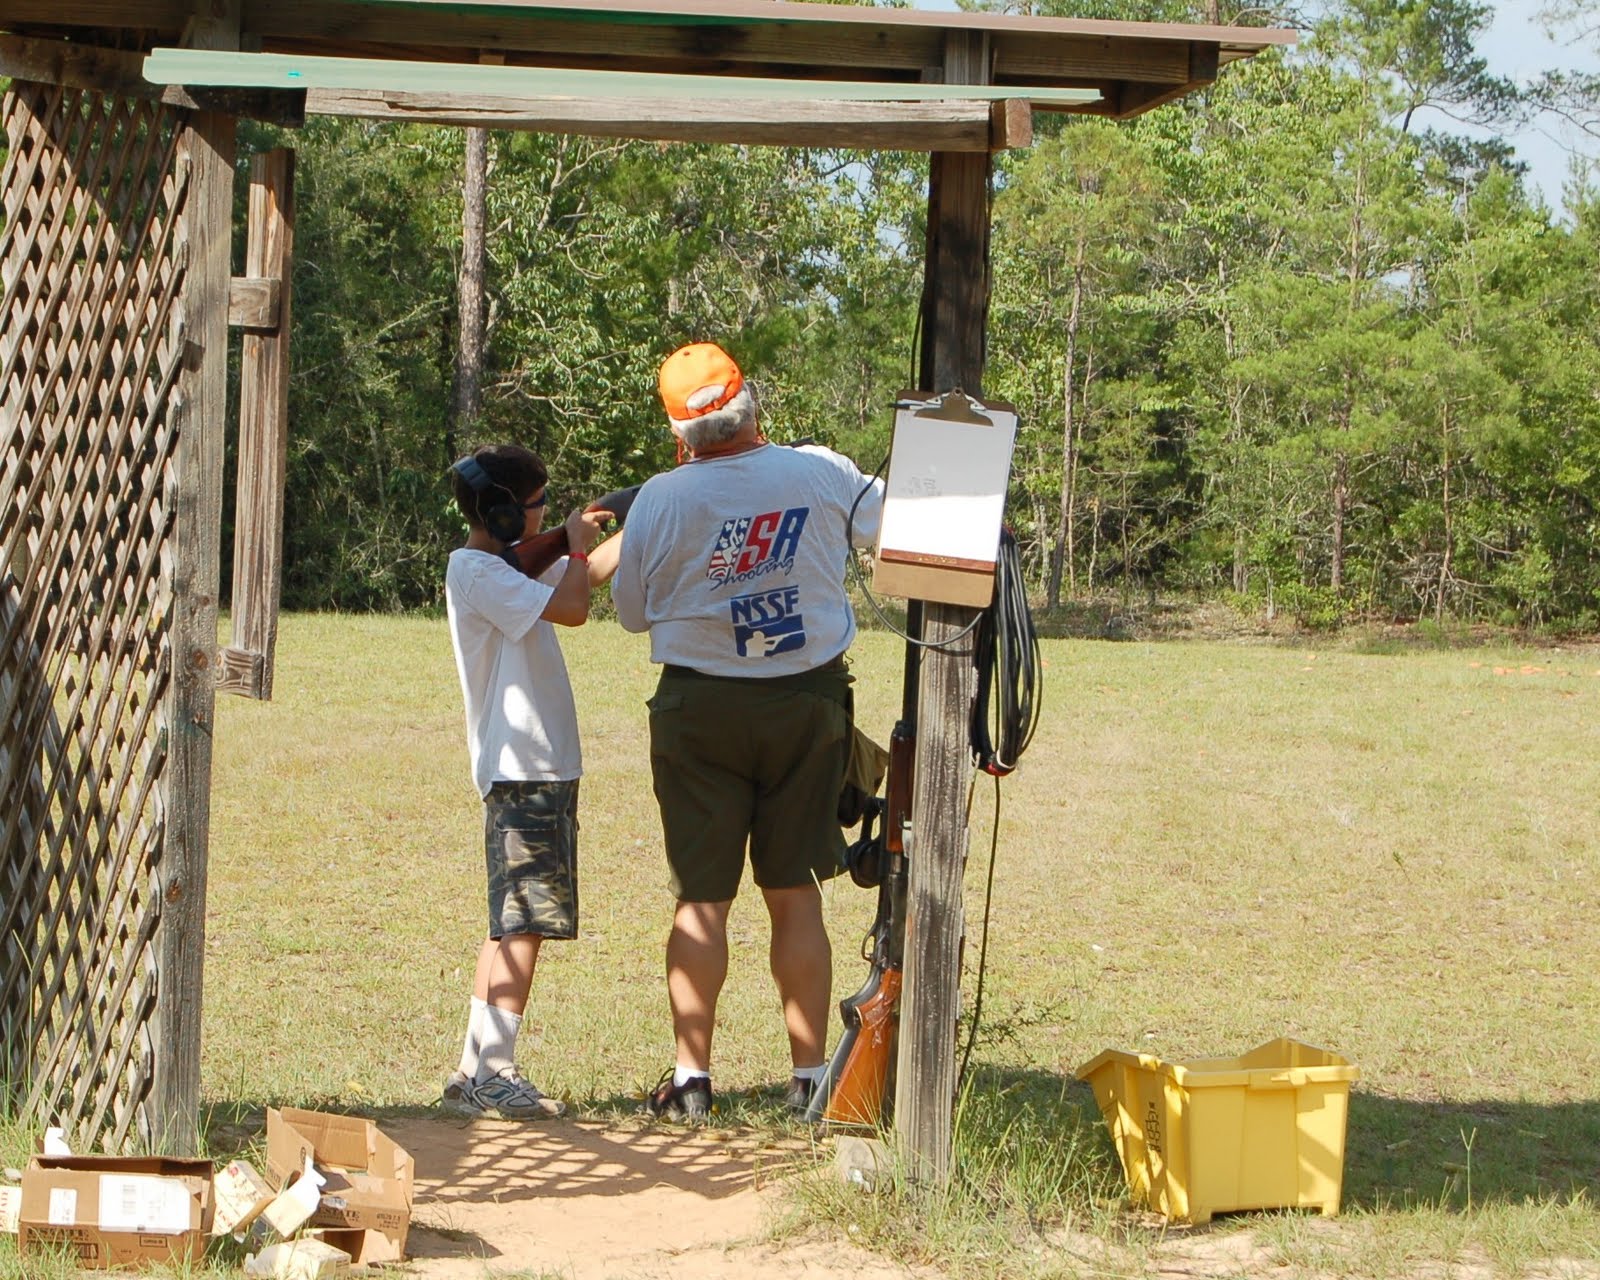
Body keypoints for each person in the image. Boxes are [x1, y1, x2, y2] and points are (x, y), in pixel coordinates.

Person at [611, 342, 885, 1119]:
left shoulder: (660, 499)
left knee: (701, 902)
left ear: (679, 432)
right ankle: (808, 1080)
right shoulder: (820, 470)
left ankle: (692, 1080)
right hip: (805, 705)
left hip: (699, 711)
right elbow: (898, 523)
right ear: (752, 401)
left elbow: (633, 614)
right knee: (794, 894)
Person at [442, 443, 620, 1119]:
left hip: (526, 765)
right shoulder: (477, 571)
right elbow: (574, 606)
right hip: (526, 767)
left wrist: (629, 521)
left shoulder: (496, 570)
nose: (545, 514)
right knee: (525, 924)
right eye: (539, 505)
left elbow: (585, 576)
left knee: (509, 922)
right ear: (508, 511)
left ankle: (474, 1067)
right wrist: (572, 547)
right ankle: (496, 1072)